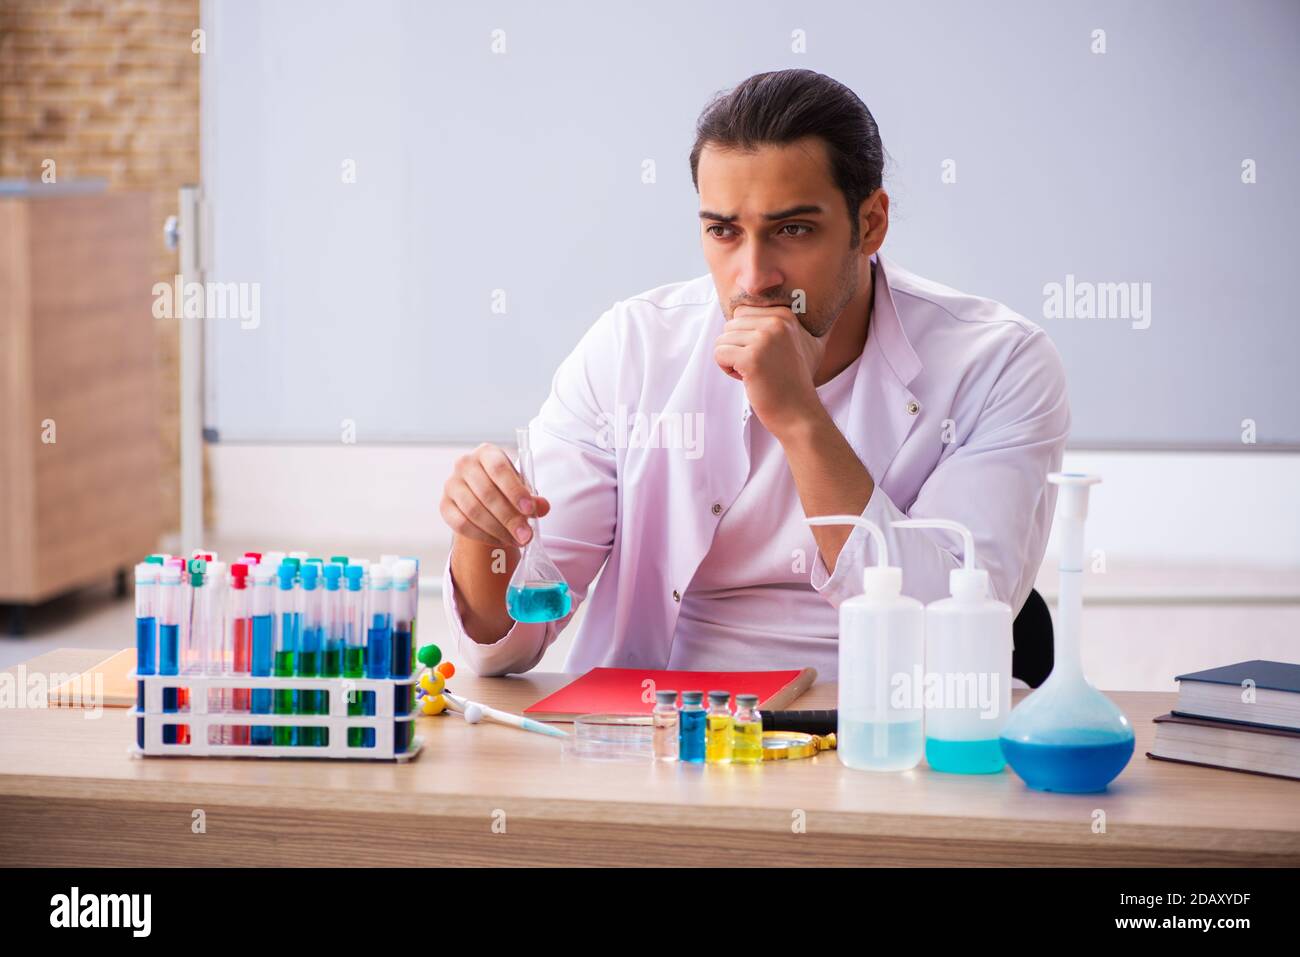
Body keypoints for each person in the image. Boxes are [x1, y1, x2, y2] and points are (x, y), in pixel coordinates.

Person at [440, 69, 1069, 679]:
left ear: (870, 224)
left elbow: (948, 641)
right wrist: (481, 536)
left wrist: (799, 419)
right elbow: (506, 649)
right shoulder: (632, 346)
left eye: (792, 229)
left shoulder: (998, 364)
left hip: (874, 732)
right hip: (652, 733)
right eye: (723, 231)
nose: (753, 277)